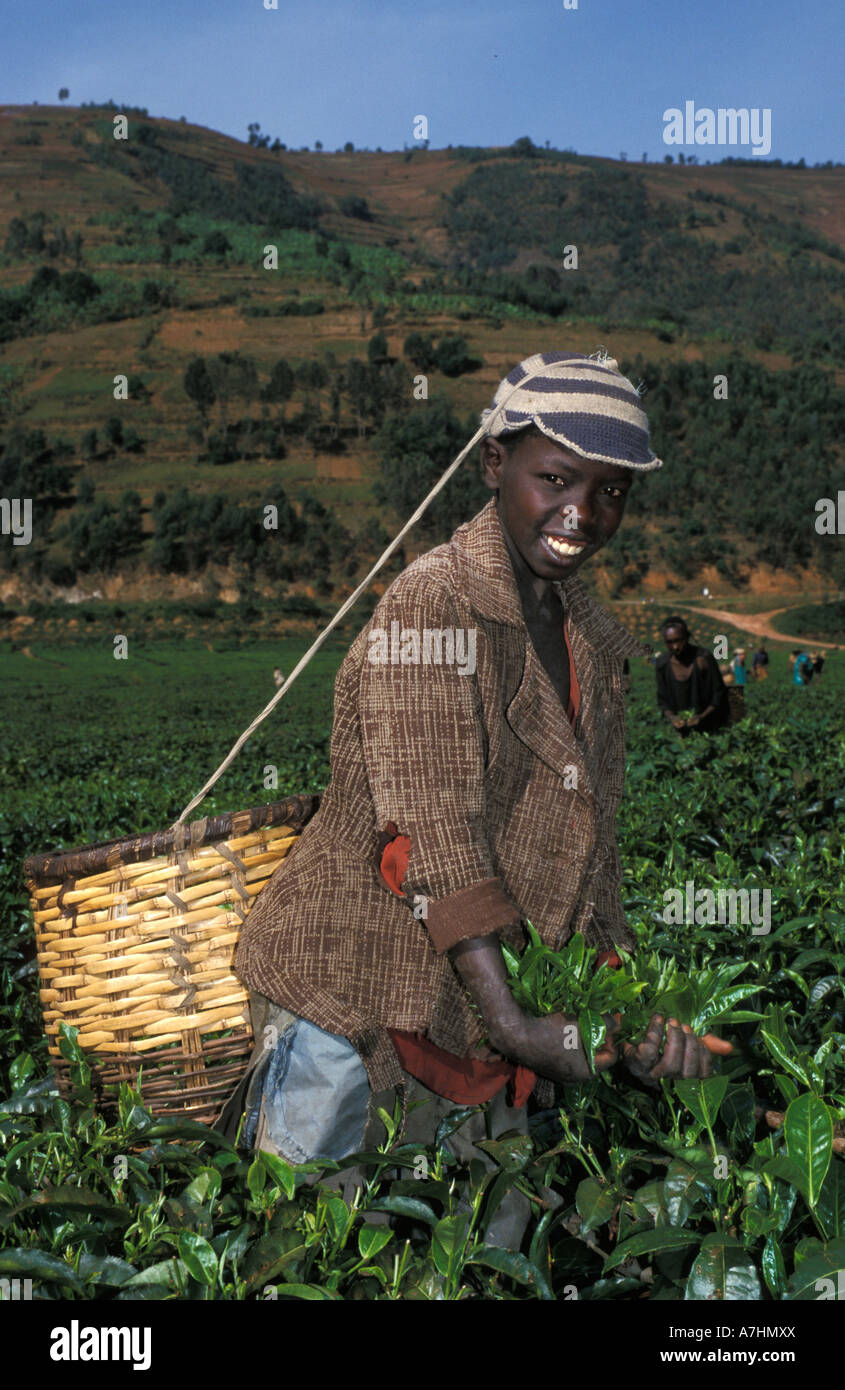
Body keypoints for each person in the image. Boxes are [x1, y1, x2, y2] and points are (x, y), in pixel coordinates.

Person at [227, 351, 715, 1247]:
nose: (582, 514)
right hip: (357, 998)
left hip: (481, 1019)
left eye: (610, 492)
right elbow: (428, 826)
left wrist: (629, 1012)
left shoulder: (592, 641)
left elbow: (588, 863)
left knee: (474, 1257)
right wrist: (518, 1021)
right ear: (496, 466)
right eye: (556, 480)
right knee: (312, 1250)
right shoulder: (432, 603)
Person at [655, 618, 729, 733]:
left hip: (709, 727)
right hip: (679, 730)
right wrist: (673, 718)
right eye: (670, 642)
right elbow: (663, 700)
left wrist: (702, 716)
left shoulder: (703, 658)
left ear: (687, 637)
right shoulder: (663, 664)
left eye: (678, 640)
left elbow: (718, 693)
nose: (675, 647)